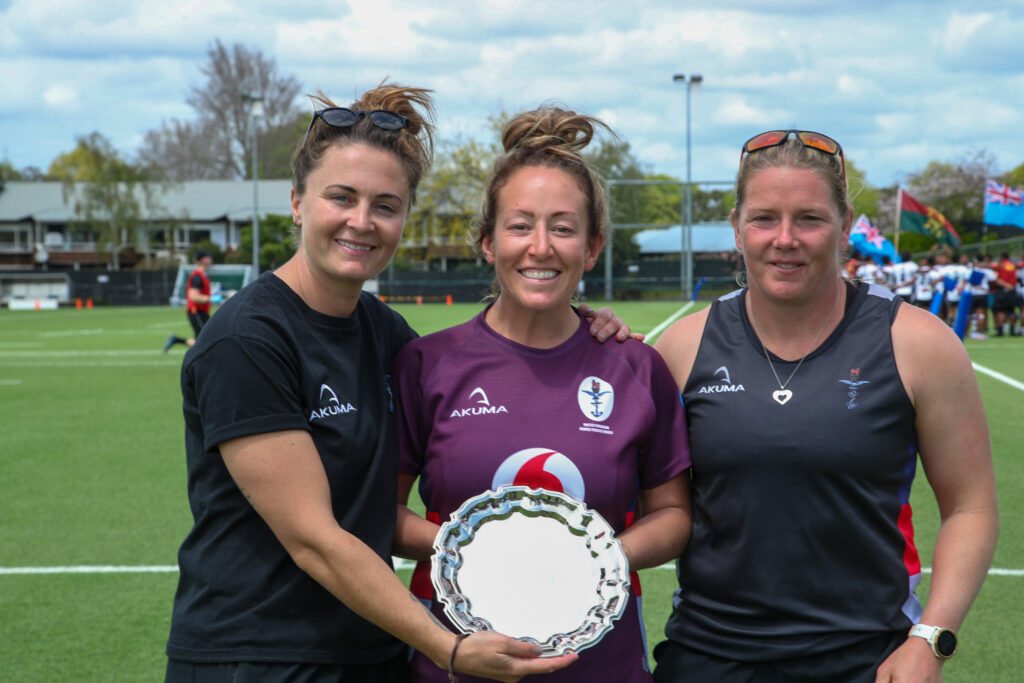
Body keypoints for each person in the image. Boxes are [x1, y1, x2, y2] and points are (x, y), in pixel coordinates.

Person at [164, 83, 637, 683]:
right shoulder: (247, 340)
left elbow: (494, 358)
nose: (361, 222)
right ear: (296, 202)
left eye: (385, 205)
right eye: (341, 197)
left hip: (370, 647)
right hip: (258, 655)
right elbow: (314, 538)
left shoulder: (385, 333)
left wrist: (585, 326)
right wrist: (449, 647)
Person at [651, 129, 998, 682]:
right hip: (709, 657)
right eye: (764, 218)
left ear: (843, 228)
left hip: (868, 658)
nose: (785, 238)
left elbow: (972, 509)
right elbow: (654, 504)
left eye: (809, 218)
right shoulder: (680, 347)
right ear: (738, 227)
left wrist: (929, 640)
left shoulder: (920, 344)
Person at [392, 106, 693, 683]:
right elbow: (381, 513)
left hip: (601, 667)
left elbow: (675, 515)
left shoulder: (634, 366)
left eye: (562, 227)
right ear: (487, 241)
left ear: (592, 247)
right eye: (520, 224)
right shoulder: (427, 365)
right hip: (454, 668)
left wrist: (584, 557)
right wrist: (485, 551)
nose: (540, 246)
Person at [163, 249, 215, 351]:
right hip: (196, 312)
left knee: (202, 340)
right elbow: (193, 296)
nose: (210, 259)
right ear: (203, 260)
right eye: (208, 257)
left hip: (202, 312)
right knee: (205, 340)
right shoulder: (197, 277)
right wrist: (210, 299)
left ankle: (176, 340)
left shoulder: (203, 276)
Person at [991, 251, 1020, 336]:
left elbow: (995, 277)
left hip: (1002, 290)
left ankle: (1000, 331)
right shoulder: (1013, 265)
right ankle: (1012, 330)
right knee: (1012, 311)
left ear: (1001, 257)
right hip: (1012, 290)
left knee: (1001, 311)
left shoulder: (999, 265)